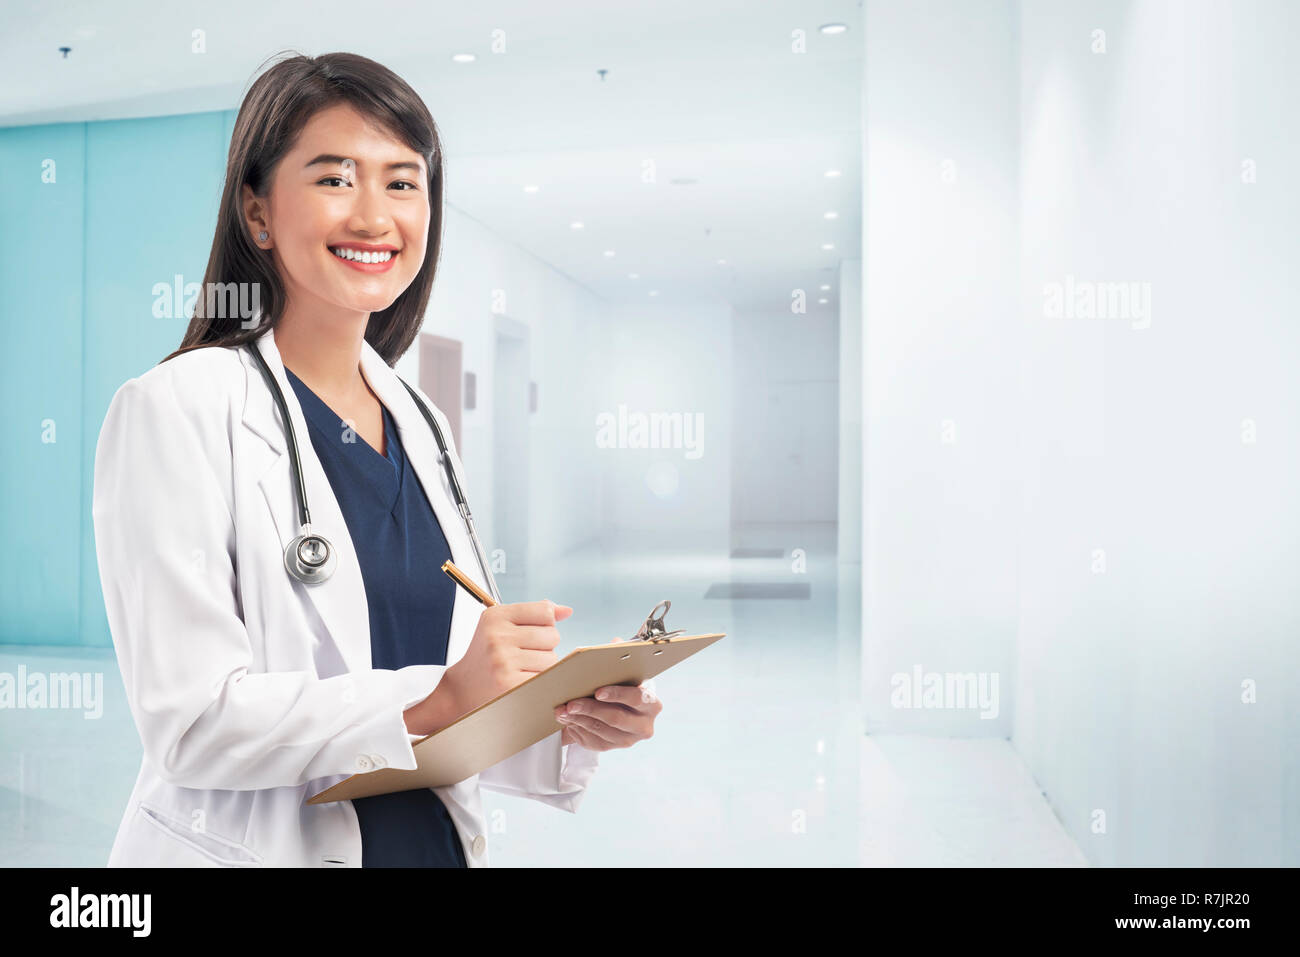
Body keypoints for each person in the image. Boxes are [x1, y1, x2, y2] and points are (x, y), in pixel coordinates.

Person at [91, 51, 661, 868]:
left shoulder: (422, 420)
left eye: (402, 182)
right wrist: (440, 694)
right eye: (334, 179)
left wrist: (565, 718)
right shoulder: (177, 409)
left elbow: (440, 695)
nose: (374, 216)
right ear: (257, 212)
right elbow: (193, 724)